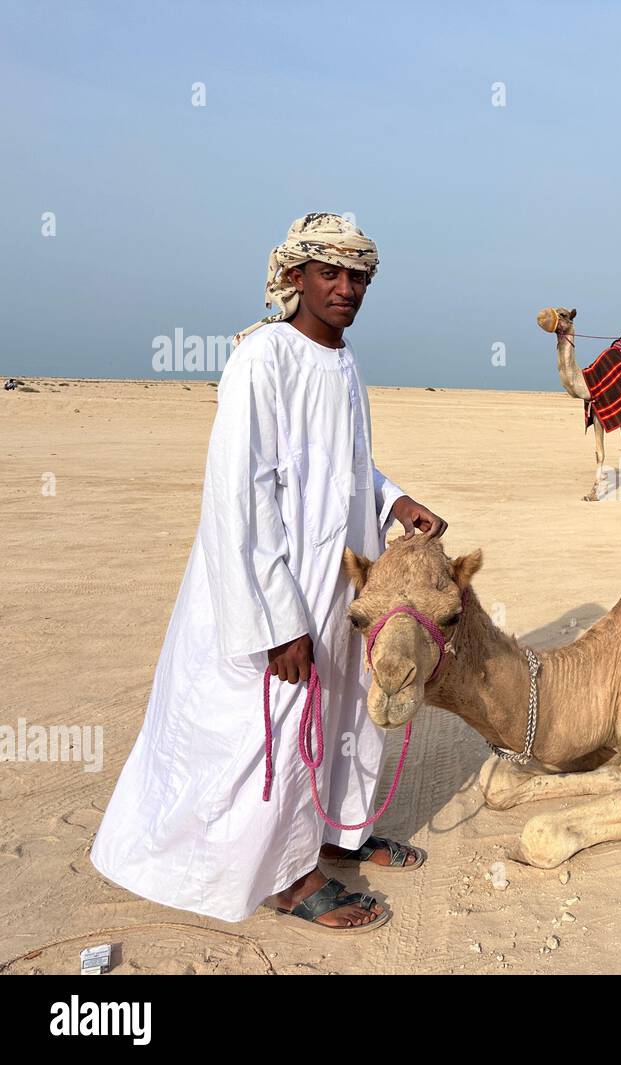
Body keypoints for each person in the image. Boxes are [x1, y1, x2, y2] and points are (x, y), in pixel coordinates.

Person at [91, 213, 446, 931]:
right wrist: (278, 622)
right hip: (271, 589)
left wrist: (393, 499)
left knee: (339, 713)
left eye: (359, 276)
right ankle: (287, 878)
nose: (346, 287)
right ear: (296, 278)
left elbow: (345, 467)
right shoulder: (262, 359)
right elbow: (239, 497)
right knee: (278, 723)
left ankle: (339, 832)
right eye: (331, 273)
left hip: (335, 582)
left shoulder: (344, 363)